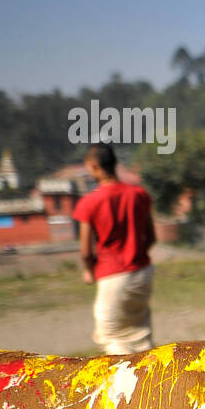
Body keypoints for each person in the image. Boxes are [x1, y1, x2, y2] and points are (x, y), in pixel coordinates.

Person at [73, 144, 156, 354]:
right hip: (143, 273)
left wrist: (89, 271)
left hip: (114, 276)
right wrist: (134, 254)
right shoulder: (139, 194)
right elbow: (151, 237)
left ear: (93, 166)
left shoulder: (89, 203)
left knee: (112, 337)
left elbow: (86, 252)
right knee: (141, 337)